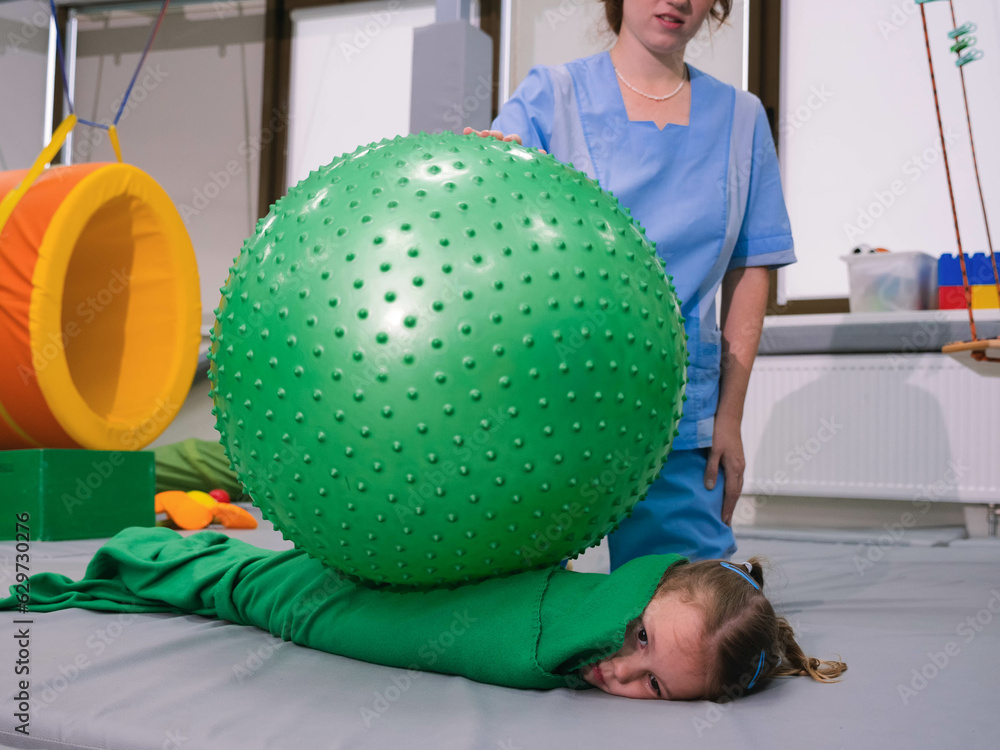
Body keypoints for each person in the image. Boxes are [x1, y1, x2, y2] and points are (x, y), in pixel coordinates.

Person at [465, 0, 796, 568]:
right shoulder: (553, 96)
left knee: (697, 611)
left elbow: (750, 269)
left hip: (675, 406)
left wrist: (729, 419)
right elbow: (490, 229)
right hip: (547, 395)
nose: (677, 1)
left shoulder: (741, 120)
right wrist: (482, 178)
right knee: (512, 604)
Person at [1, 525, 844, 700]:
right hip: (362, 556)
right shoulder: (575, 601)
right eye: (638, 641)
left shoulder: (582, 651)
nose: (618, 672)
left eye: (654, 690)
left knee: (265, 592)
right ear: (646, 593)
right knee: (253, 581)